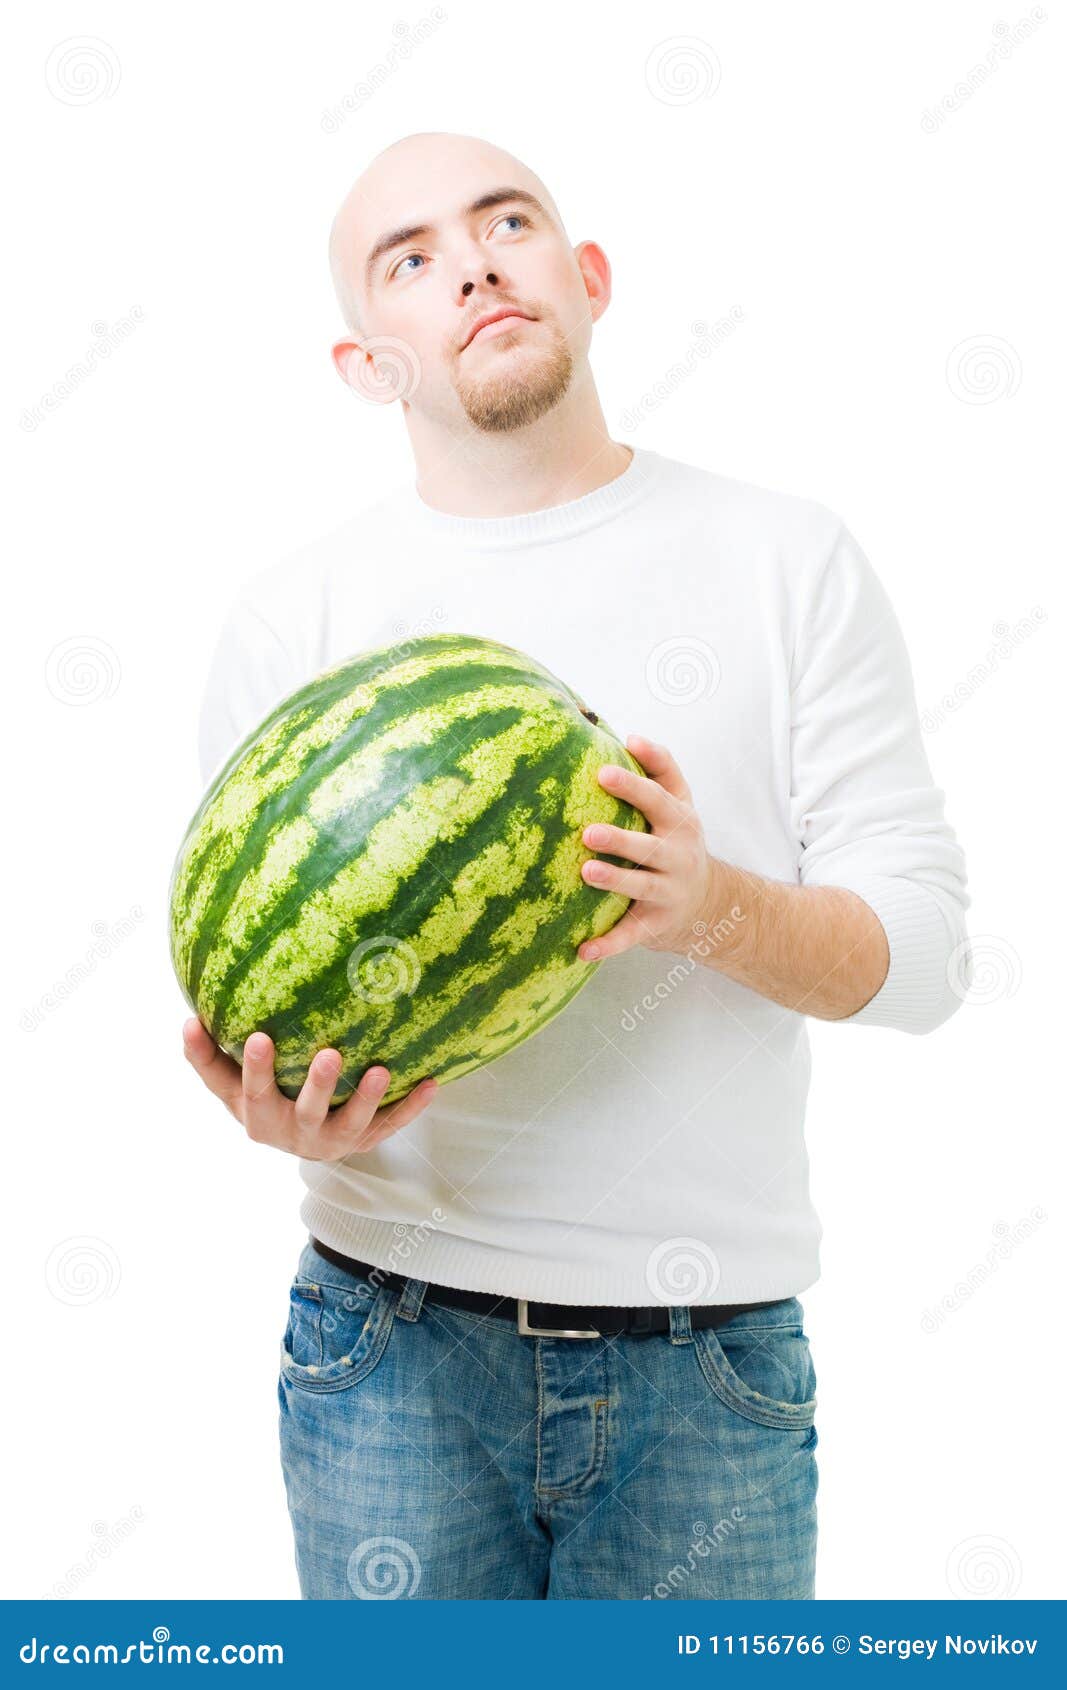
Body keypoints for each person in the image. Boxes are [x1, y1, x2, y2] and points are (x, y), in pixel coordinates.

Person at [184, 132, 971, 1600]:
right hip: (386, 1352)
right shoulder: (298, 613)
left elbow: (929, 959)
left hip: (711, 1371)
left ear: (587, 279)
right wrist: (279, 1107)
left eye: (509, 222)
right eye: (408, 259)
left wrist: (712, 905)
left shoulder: (784, 557)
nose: (473, 261)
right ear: (368, 364)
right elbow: (251, 988)